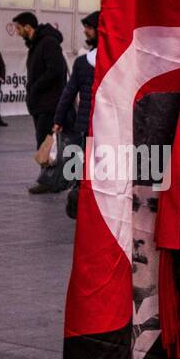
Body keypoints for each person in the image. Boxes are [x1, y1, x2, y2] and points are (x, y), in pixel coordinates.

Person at [12, 11, 68, 194]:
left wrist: (35, 87)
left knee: (47, 143)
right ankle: (51, 178)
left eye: (19, 28)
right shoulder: (37, 44)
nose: (18, 32)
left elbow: (56, 70)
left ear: (28, 27)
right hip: (41, 103)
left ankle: (49, 180)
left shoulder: (48, 43)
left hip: (49, 103)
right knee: (46, 142)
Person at [54, 11, 100, 214]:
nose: (85, 31)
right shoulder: (117, 61)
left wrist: (58, 119)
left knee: (85, 165)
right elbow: (69, 93)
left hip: (88, 125)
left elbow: (68, 93)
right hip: (103, 125)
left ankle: (81, 198)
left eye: (89, 27)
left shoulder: (82, 63)